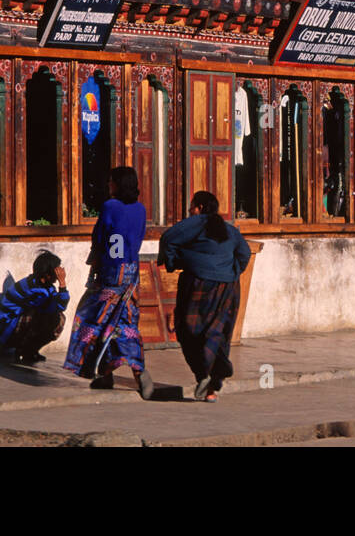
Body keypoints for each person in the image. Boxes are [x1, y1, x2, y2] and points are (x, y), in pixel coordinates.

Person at [63, 167, 154, 399]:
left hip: (110, 271)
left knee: (92, 317)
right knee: (125, 321)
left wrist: (95, 264)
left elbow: (101, 238)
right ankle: (134, 371)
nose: (108, 185)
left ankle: (95, 368)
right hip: (131, 272)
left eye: (111, 181)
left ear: (117, 184)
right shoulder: (141, 209)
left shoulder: (110, 207)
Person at [159, 190, 252, 402]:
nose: (190, 211)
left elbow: (168, 238)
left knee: (188, 329)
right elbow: (244, 253)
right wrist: (232, 271)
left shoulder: (197, 222)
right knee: (219, 333)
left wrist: (173, 262)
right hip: (228, 287)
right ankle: (212, 388)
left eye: (192, 206)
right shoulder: (229, 229)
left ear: (200, 208)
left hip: (198, 284)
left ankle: (203, 374)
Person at [0, 250, 69, 364]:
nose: (59, 273)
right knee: (50, 318)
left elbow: (59, 307)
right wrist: (62, 284)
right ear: (47, 274)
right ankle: (23, 350)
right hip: (6, 332)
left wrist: (61, 289)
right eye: (56, 271)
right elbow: (55, 308)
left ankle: (30, 350)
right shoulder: (33, 289)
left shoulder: (43, 285)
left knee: (59, 318)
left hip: (16, 326)